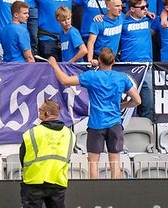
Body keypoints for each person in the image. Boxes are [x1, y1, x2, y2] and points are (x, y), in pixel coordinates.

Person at [48, 48, 141, 179]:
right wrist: (122, 105)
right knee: (115, 162)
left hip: (96, 124)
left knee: (93, 163)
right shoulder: (121, 78)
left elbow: (65, 81)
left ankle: (94, 195)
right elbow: (137, 100)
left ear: (99, 61)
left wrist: (54, 65)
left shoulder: (92, 76)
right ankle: (117, 194)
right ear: (113, 61)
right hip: (114, 123)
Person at [19, 100, 74, 208]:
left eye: (40, 110)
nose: (39, 112)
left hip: (34, 181)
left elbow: (22, 155)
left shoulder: (32, 133)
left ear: (46, 114)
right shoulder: (69, 134)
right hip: (57, 181)